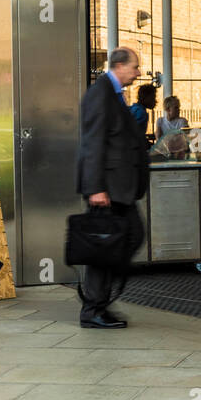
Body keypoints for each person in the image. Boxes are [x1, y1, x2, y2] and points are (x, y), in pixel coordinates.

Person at [75, 47, 150, 329]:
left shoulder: (114, 93)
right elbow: (92, 142)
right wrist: (95, 187)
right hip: (108, 189)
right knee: (109, 245)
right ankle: (93, 308)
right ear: (119, 66)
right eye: (135, 67)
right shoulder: (101, 92)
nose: (138, 72)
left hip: (119, 188)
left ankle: (99, 303)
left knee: (124, 239)